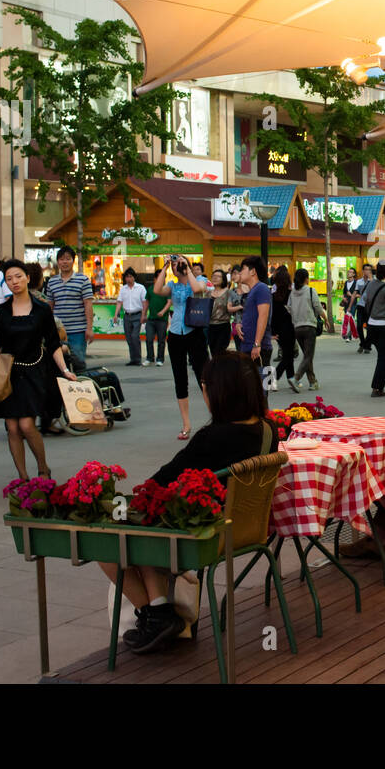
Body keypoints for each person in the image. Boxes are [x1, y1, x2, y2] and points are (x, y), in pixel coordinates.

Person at [98, 351, 278, 654]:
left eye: (205, 385)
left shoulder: (213, 438)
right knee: (143, 520)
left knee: (106, 539)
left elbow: (161, 480)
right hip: (247, 531)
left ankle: (155, 613)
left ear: (220, 391)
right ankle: (158, 610)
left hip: (206, 537)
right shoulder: (268, 430)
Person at [0, 259, 78, 479]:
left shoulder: (42, 309)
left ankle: (43, 469)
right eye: (9, 279)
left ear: (28, 278)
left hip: (34, 371)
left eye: (18, 276)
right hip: (8, 374)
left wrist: (65, 370)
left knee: (27, 425)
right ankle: (23, 477)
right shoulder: (1, 311)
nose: (14, 282)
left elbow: (53, 343)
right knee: (12, 427)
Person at [154, 256, 210, 440]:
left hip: (194, 333)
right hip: (176, 334)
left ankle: (216, 418)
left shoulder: (199, 279)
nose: (178, 266)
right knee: (180, 379)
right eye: (176, 264)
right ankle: (186, 424)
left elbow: (196, 289)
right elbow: (157, 290)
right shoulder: (172, 284)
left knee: (204, 378)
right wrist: (164, 267)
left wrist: (188, 269)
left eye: (181, 263)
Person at [43, 245, 94, 372]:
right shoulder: (52, 282)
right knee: (59, 364)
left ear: (73, 260)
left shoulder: (83, 280)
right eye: (61, 259)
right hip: (58, 331)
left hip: (78, 330)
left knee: (78, 362)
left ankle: (82, 388)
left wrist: (89, 328)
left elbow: (88, 304)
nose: (64, 262)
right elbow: (49, 306)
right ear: (58, 262)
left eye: (68, 259)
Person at [360, 260, 385, 397]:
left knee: (384, 355)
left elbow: (365, 302)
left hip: (372, 325)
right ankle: (377, 387)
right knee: (384, 357)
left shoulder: (370, 285)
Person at [289, 267, 328, 392]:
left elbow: (288, 308)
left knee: (307, 355)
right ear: (306, 279)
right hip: (309, 326)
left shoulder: (292, 292)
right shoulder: (311, 290)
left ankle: (312, 382)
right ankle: (296, 378)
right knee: (308, 356)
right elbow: (317, 307)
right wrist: (326, 319)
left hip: (297, 327)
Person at [237, 256, 273, 383]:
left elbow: (263, 316)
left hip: (259, 349)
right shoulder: (253, 291)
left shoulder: (262, 288)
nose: (240, 272)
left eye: (243, 269)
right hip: (249, 347)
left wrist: (257, 344)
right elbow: (253, 316)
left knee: (262, 393)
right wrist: (240, 325)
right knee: (249, 392)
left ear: (253, 271)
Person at [270, 266, 299, 392]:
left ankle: (291, 378)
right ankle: (273, 379)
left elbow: (272, 315)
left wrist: (273, 331)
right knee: (289, 355)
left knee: (288, 353)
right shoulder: (291, 294)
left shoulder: (273, 295)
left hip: (278, 330)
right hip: (290, 328)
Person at [114, 268, 148, 366]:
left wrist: (144, 314)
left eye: (130, 277)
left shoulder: (140, 288)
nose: (128, 279)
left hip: (137, 314)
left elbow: (144, 302)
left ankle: (137, 359)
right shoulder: (123, 289)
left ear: (134, 277)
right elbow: (119, 302)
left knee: (134, 336)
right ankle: (132, 359)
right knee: (129, 338)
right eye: (126, 277)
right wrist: (116, 314)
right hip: (127, 316)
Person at [144, 269, 170, 368]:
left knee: (161, 340)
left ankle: (160, 359)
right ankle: (150, 358)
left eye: (163, 277)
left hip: (162, 319)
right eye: (159, 277)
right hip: (151, 318)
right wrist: (144, 314)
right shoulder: (150, 289)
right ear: (155, 279)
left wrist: (163, 311)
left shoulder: (167, 289)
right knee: (149, 339)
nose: (161, 279)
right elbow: (146, 302)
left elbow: (169, 302)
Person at [207, 270, 234, 358]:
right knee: (213, 353)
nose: (215, 277)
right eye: (213, 275)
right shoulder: (208, 293)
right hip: (210, 326)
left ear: (223, 279)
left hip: (223, 326)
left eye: (218, 276)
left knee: (220, 353)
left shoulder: (228, 292)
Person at [355, 264, 374, 351]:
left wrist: (371, 280)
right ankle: (362, 343)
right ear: (363, 271)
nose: (367, 271)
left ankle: (367, 344)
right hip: (361, 305)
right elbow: (355, 293)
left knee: (370, 326)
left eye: (369, 270)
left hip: (370, 307)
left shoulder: (374, 281)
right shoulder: (359, 282)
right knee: (359, 325)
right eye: (366, 269)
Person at [341, 267, 360, 342]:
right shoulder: (346, 282)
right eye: (348, 272)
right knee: (347, 319)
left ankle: (348, 336)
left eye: (351, 272)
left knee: (350, 318)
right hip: (346, 303)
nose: (349, 273)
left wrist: (352, 295)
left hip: (353, 303)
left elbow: (360, 294)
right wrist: (343, 298)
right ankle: (350, 334)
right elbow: (344, 292)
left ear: (354, 274)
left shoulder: (356, 283)